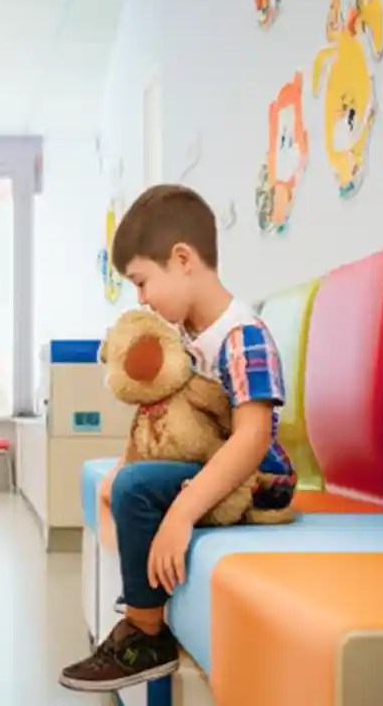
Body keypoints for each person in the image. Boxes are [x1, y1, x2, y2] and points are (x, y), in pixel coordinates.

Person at [58, 184, 295, 692]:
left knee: (135, 489)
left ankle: (146, 633)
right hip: (211, 466)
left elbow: (253, 439)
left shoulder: (242, 335)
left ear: (182, 259)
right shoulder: (185, 336)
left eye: (142, 282)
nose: (141, 299)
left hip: (256, 483)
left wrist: (182, 513)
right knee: (122, 480)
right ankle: (136, 596)